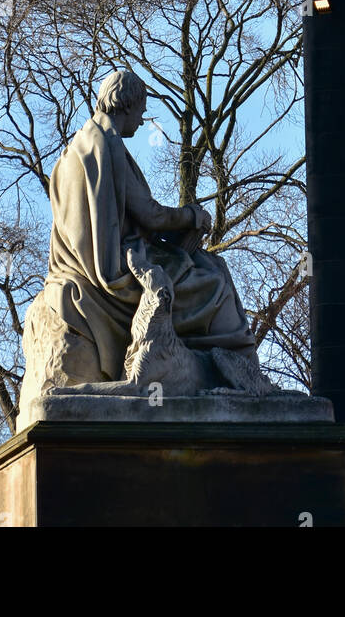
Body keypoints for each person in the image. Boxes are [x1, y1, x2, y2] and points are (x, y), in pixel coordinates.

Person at [17, 68, 261, 424]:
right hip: (113, 270)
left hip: (74, 266)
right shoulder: (108, 145)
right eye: (141, 109)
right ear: (126, 104)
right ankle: (243, 375)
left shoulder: (80, 144)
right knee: (213, 276)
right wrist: (193, 216)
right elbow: (151, 215)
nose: (143, 118)